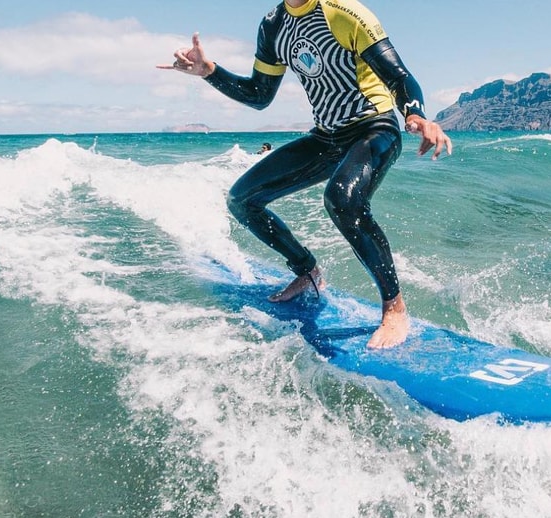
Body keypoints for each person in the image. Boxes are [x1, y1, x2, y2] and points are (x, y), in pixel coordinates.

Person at [158, 0, 452, 349]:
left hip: (374, 128)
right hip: (326, 136)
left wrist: (415, 115)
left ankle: (394, 308)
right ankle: (307, 271)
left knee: (342, 200)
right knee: (242, 199)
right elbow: (258, 95)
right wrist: (210, 71)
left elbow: (399, 76)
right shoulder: (273, 26)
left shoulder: (343, 12)